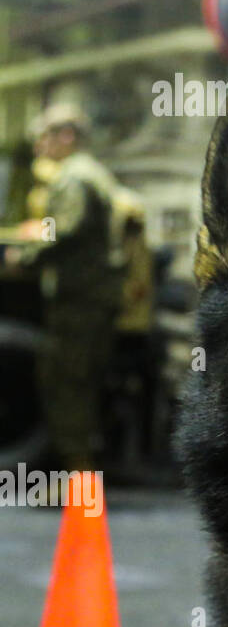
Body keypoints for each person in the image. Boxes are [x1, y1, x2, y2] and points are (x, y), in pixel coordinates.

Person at [4, 102, 126, 473]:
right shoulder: (89, 174)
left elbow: (64, 230)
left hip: (79, 302)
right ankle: (76, 477)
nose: (40, 146)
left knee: (67, 386)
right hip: (89, 300)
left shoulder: (74, 177)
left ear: (67, 136)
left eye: (46, 136)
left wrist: (24, 256)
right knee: (77, 386)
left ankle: (79, 480)